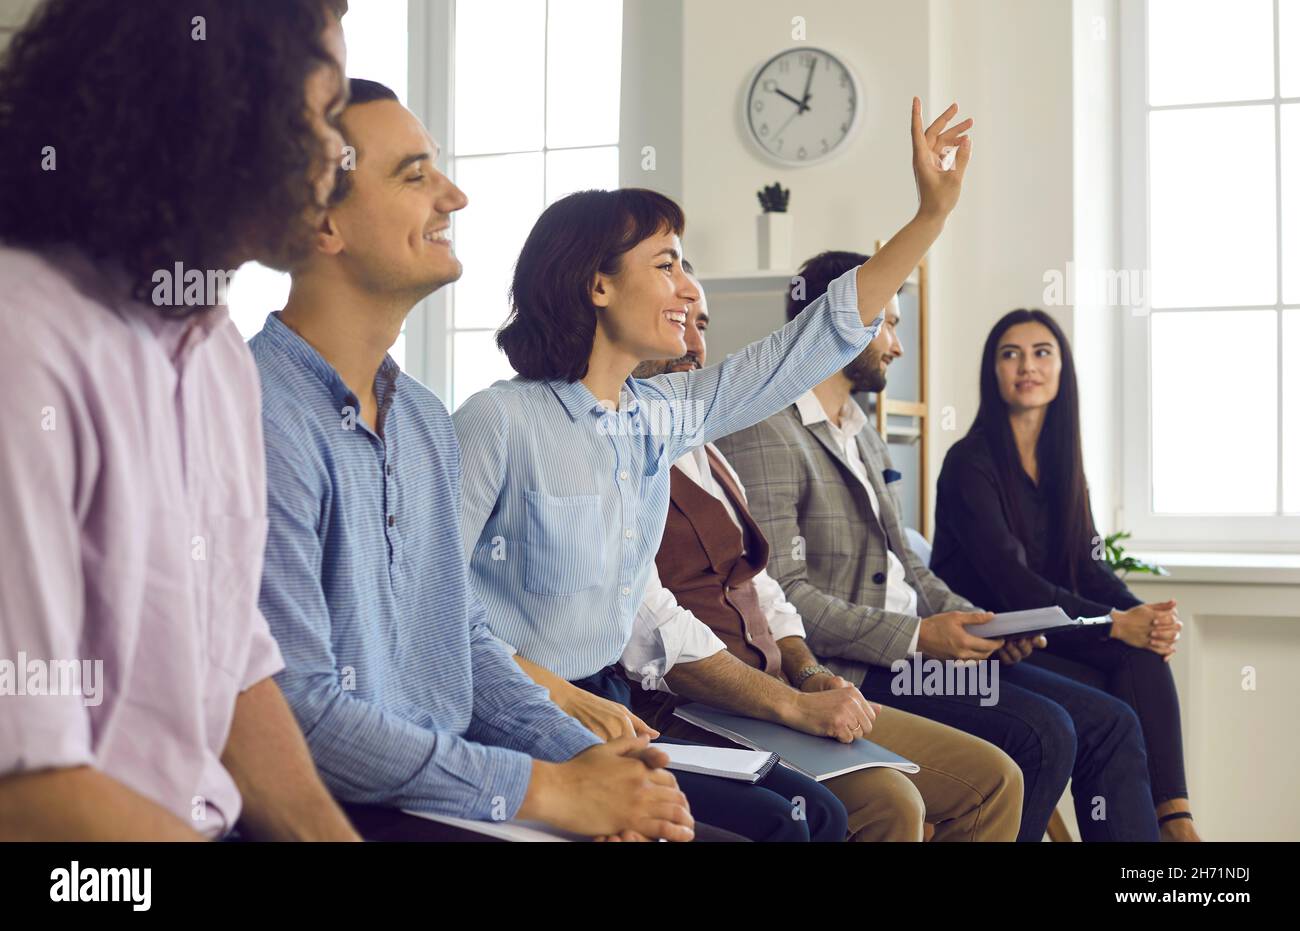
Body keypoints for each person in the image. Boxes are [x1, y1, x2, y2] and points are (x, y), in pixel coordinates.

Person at [454, 99, 974, 841]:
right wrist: (563, 699)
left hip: (608, 696)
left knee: (813, 814)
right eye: (664, 266)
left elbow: (802, 348)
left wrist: (929, 218)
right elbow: (431, 607)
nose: (685, 289)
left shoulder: (656, 413)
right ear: (597, 286)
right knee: (783, 826)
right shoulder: (495, 421)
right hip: (514, 707)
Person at [251, 80, 697, 842]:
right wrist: (552, 788)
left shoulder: (421, 419)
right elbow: (299, 711)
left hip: (447, 782)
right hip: (339, 806)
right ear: (323, 222)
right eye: (415, 175)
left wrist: (592, 761)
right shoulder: (253, 412)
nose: (453, 197)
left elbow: (461, 637)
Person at [0, 0, 358, 840]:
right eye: (326, 111)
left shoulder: (219, 356)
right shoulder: (25, 342)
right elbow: (24, 791)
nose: (341, 156)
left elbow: (233, 664)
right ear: (220, 104)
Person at [716, 251, 1161, 842]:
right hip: (867, 670)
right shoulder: (765, 430)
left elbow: (906, 565)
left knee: (1109, 721)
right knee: (1043, 730)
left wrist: (980, 623)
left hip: (921, 658)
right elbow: (786, 596)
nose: (898, 347)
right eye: (891, 324)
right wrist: (921, 637)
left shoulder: (859, 428)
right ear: (843, 318)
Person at [625, 263, 1023, 841]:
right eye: (678, 319)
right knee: (896, 800)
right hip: (699, 704)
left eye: (702, 324)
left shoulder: (709, 448)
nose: (695, 343)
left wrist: (807, 673)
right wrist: (795, 698)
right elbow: (655, 628)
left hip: (789, 679)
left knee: (997, 777)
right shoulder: (637, 448)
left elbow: (764, 585)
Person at [931, 308, 1195, 841]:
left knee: (1139, 658)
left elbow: (1090, 566)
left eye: (1041, 352)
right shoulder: (969, 462)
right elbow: (1015, 587)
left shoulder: (1063, 466)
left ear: (1061, 369)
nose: (1027, 366)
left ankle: (1176, 822)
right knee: (1115, 696)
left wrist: (1142, 616)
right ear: (993, 371)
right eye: (1011, 354)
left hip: (1046, 636)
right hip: (988, 650)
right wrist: (1115, 623)